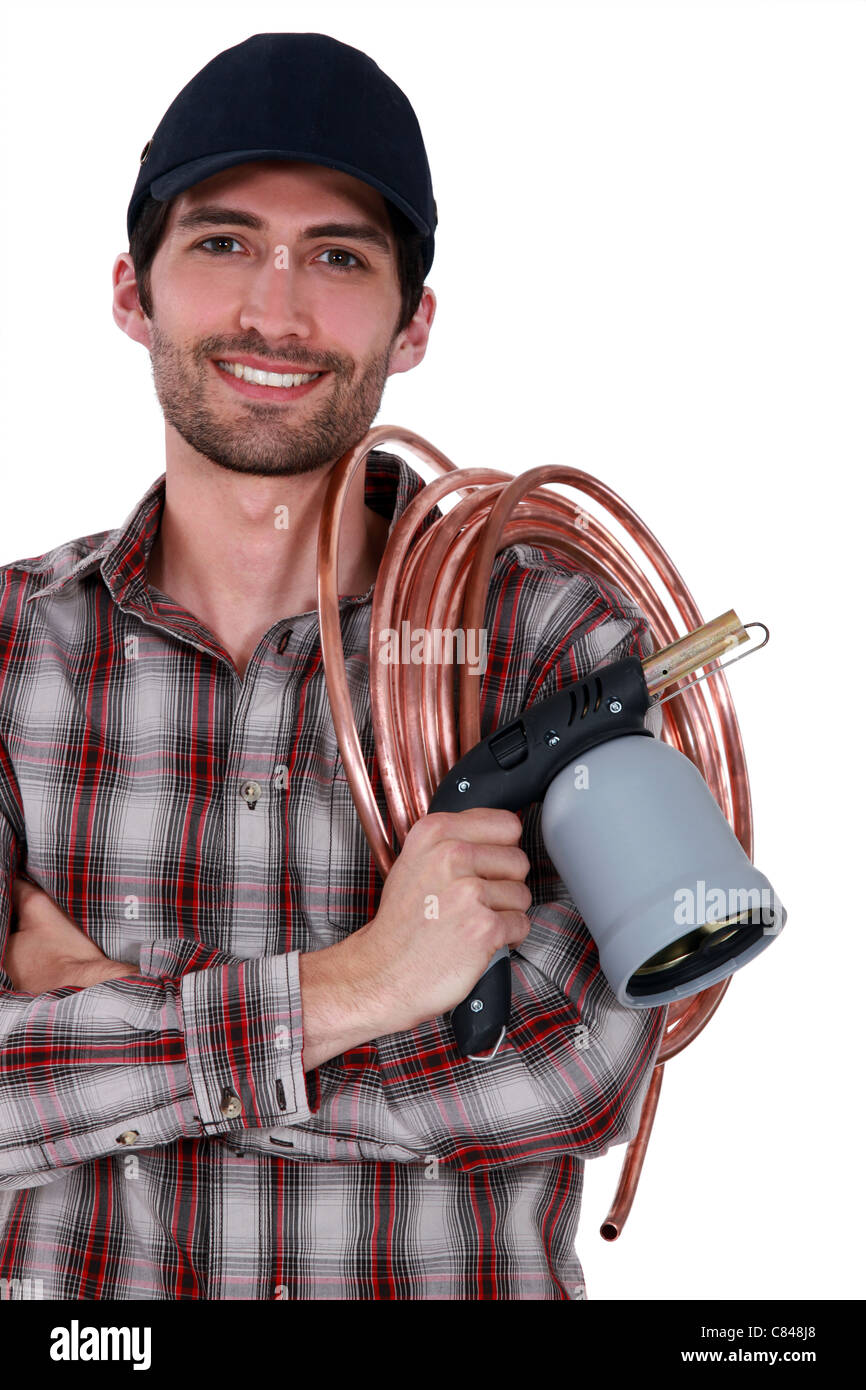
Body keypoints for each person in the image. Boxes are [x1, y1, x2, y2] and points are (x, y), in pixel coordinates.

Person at [0, 32, 664, 1300]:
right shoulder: (9, 644)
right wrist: (365, 983)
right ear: (134, 294)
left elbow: (572, 1069)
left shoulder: (555, 642)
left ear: (410, 324)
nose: (276, 310)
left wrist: (103, 1041)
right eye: (223, 243)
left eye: (339, 258)